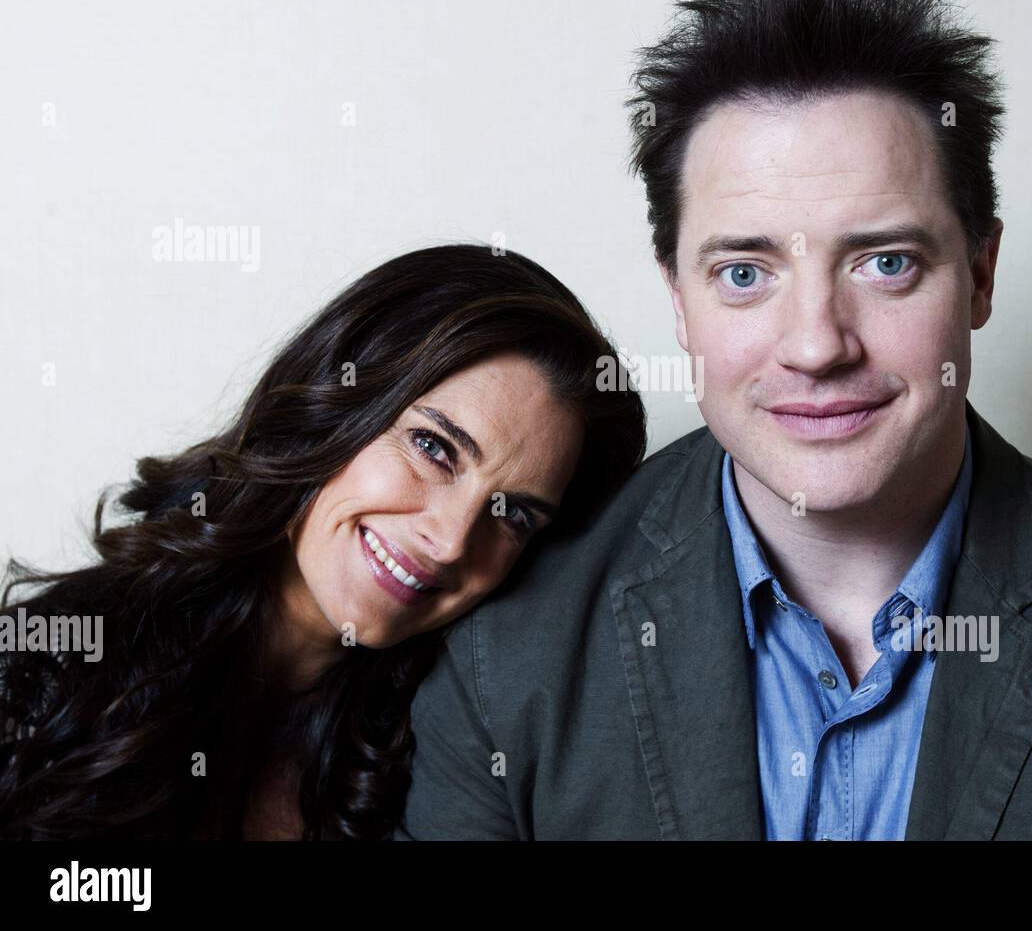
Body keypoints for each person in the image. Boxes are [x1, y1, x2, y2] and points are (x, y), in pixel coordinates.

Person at [398, 0, 1032, 840]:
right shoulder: (503, 656)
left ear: (981, 275)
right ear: (679, 300)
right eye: (745, 272)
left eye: (887, 262)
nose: (816, 344)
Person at [0, 244, 646, 839]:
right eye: (433, 447)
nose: (450, 541)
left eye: (513, 516)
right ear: (332, 408)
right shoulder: (46, 676)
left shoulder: (443, 766)